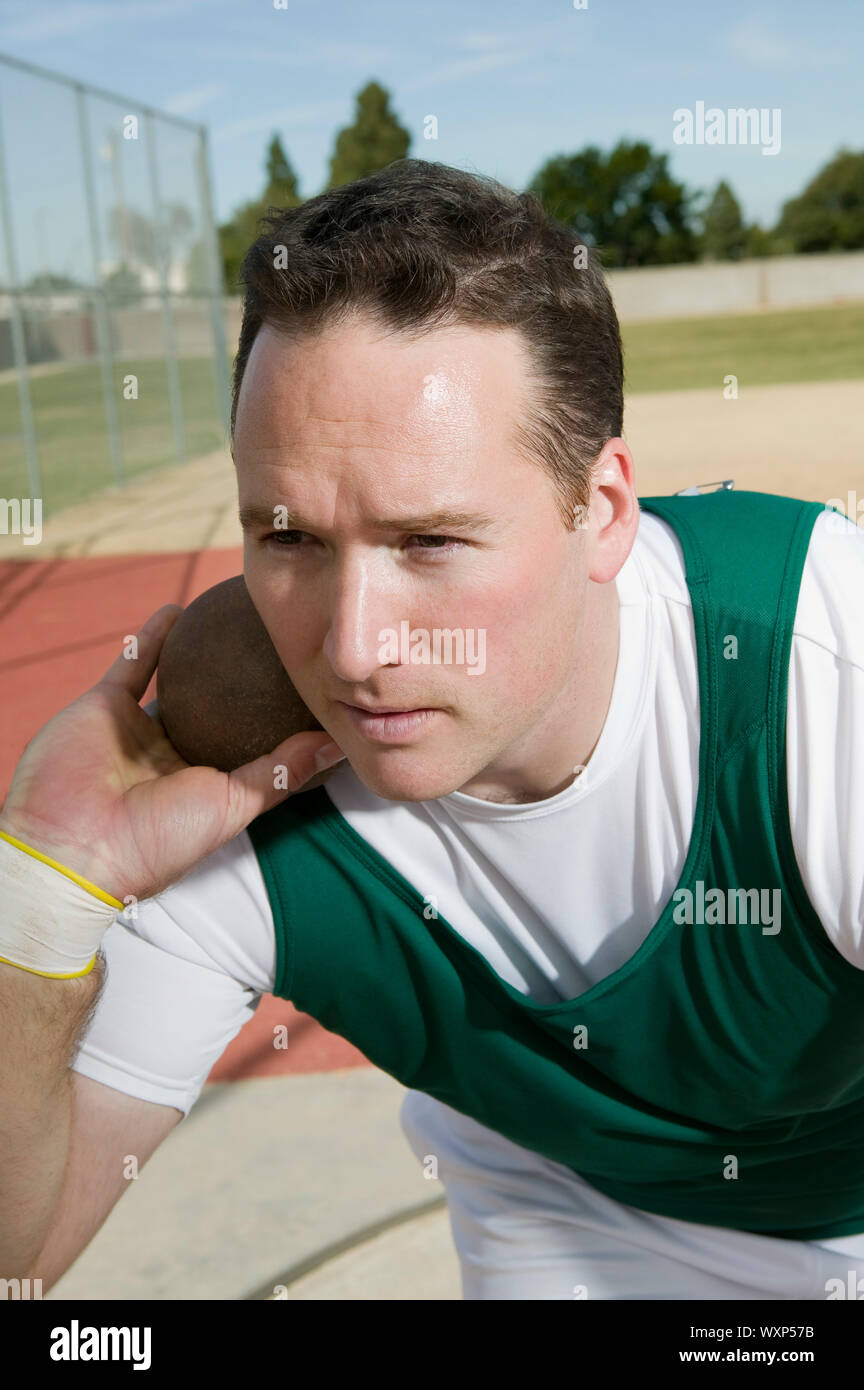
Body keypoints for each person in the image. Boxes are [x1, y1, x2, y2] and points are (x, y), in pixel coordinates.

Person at [2, 160, 863, 1301]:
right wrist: (43, 888)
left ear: (599, 512)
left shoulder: (816, 673)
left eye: (432, 543)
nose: (353, 651)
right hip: (559, 1210)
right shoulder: (219, 800)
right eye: (291, 537)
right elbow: (21, 1254)